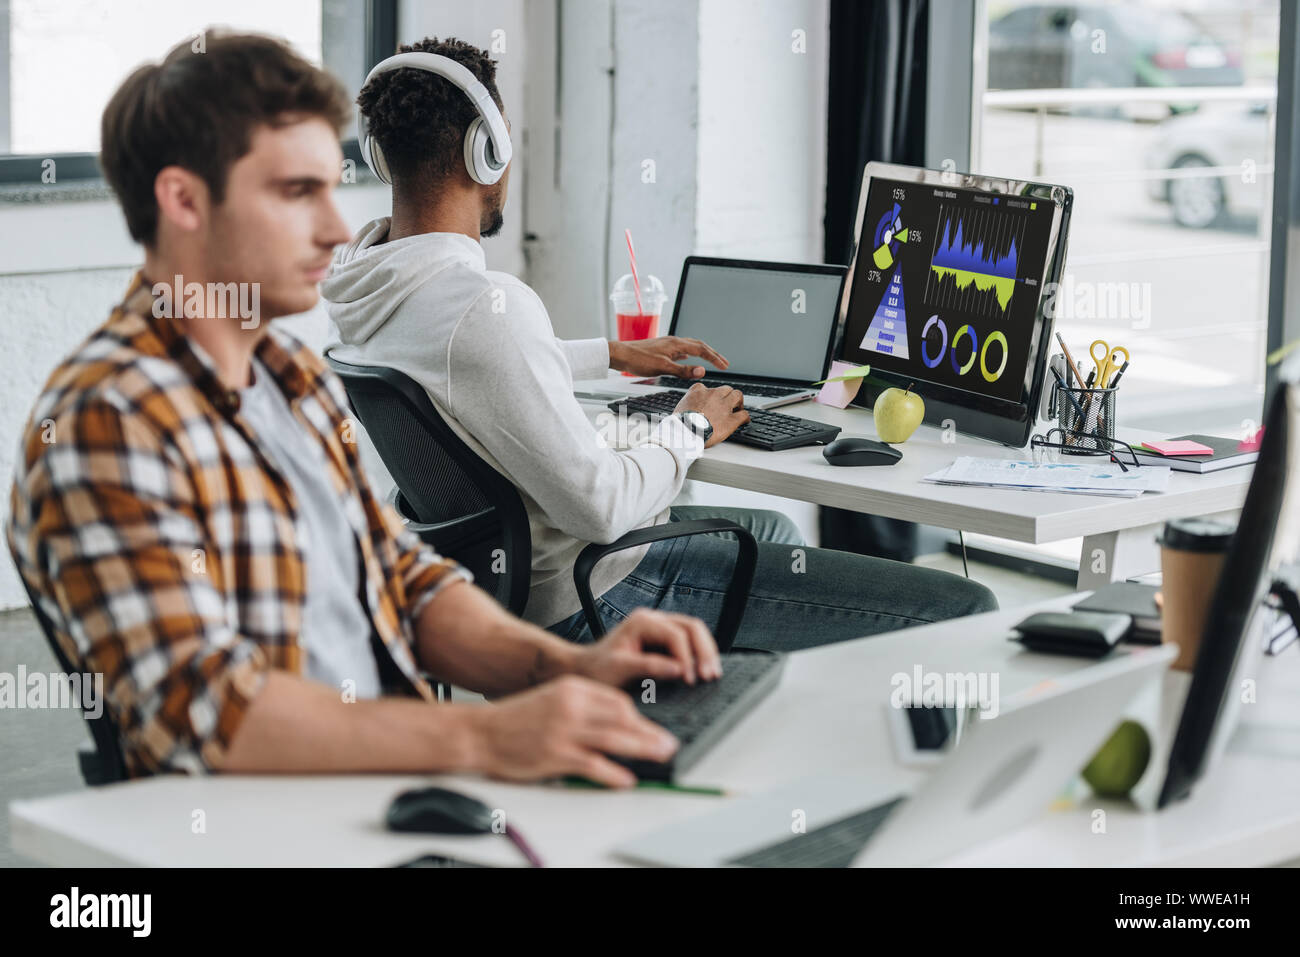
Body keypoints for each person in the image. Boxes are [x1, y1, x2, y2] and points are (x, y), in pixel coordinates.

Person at [5, 32, 721, 788]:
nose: (339, 229)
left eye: (330, 186)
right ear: (183, 201)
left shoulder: (284, 378)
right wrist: (487, 735)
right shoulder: (105, 422)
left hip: (388, 789)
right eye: (294, 192)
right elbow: (211, 713)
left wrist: (568, 664)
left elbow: (398, 576)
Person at [322, 36, 997, 652]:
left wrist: (609, 353)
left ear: (383, 155)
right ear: (487, 152)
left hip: (490, 587)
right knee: (969, 603)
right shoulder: (486, 310)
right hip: (595, 597)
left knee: (777, 536)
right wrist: (690, 427)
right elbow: (600, 504)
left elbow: (464, 368)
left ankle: (728, 702)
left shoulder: (370, 287)